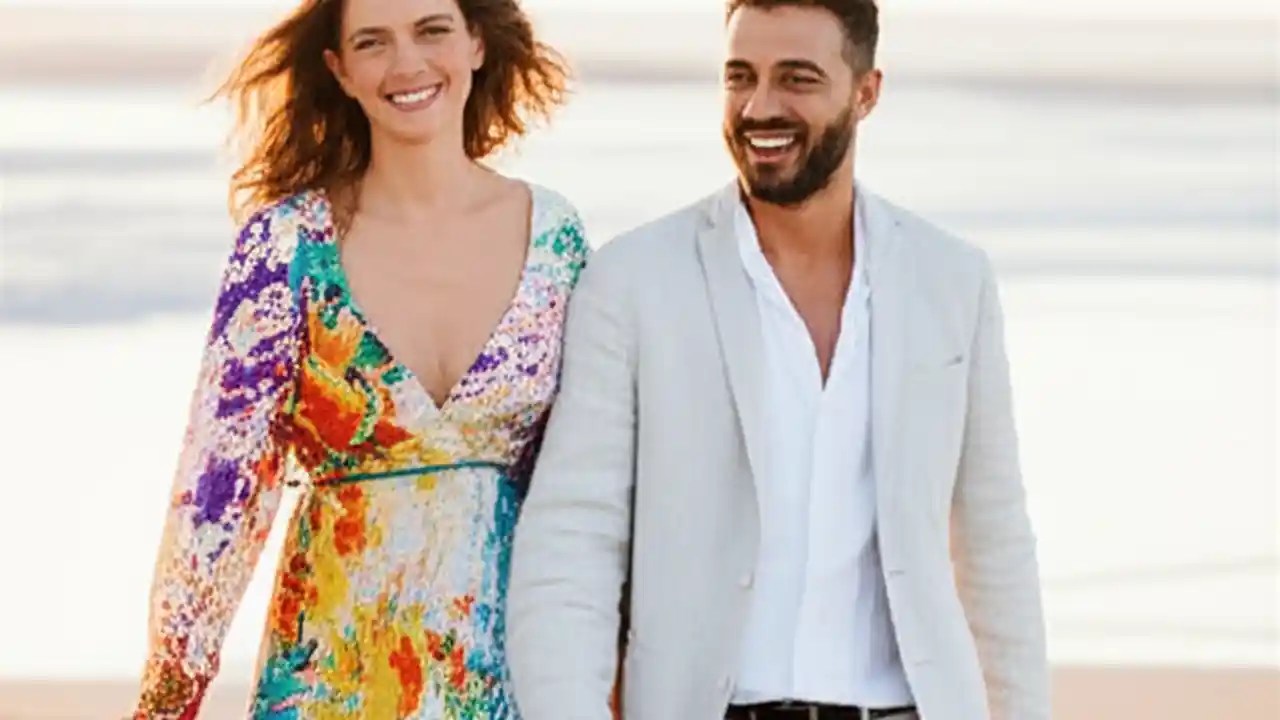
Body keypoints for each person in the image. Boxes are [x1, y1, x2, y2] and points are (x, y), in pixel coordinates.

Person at [505, 1, 1049, 718]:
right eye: (741, 77)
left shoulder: (951, 280)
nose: (760, 107)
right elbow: (571, 546)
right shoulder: (634, 281)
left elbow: (994, 547)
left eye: (797, 78)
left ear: (866, 92)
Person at [131, 0, 588, 717]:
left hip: (507, 682)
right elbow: (217, 502)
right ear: (339, 70)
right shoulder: (286, 247)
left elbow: (589, 485)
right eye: (373, 42)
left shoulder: (554, 237)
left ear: (476, 42)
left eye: (432, 30)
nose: (407, 63)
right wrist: (166, 702)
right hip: (328, 683)